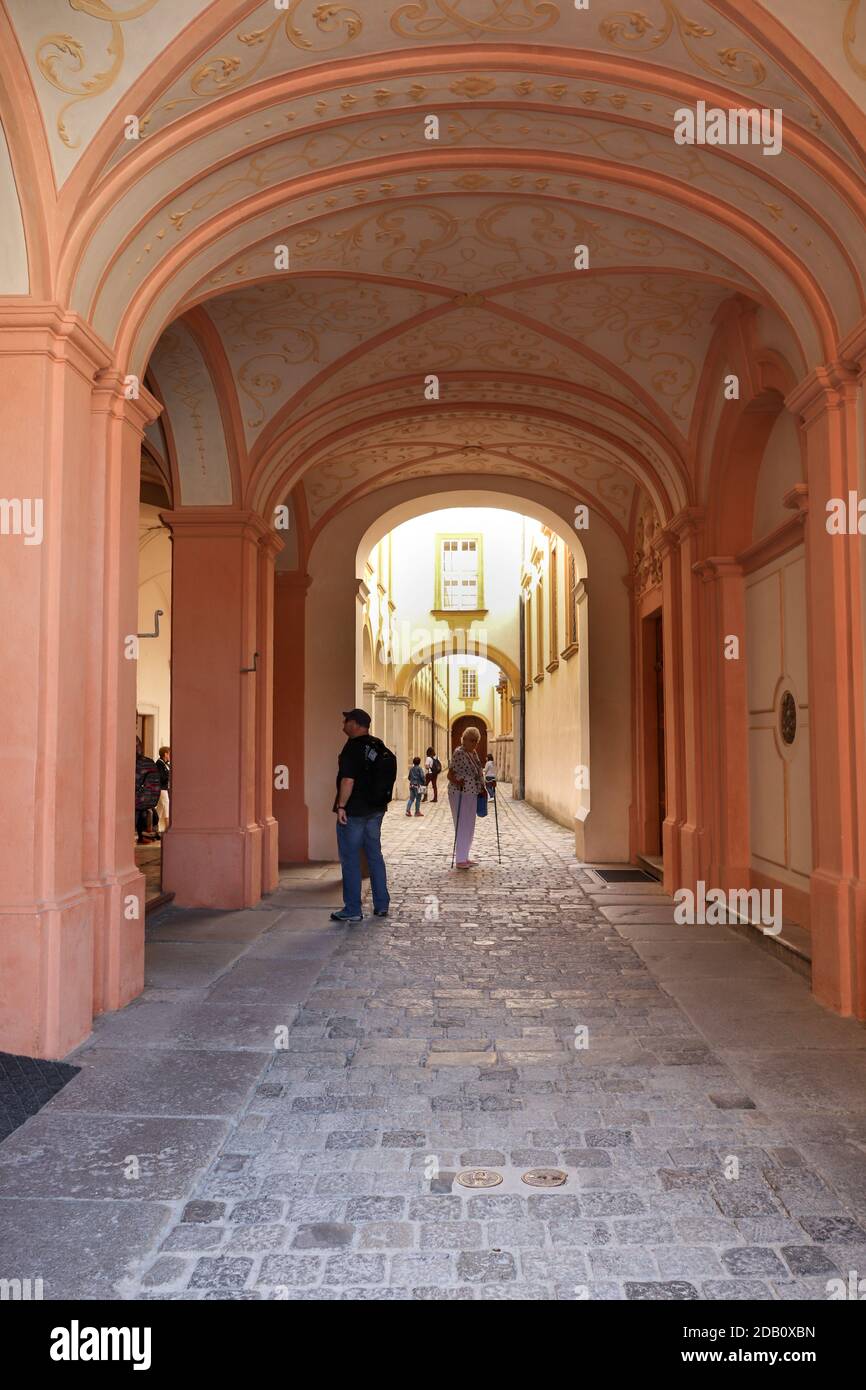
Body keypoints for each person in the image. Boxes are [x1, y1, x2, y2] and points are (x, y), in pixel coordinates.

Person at [331, 708, 392, 923]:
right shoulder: (377, 744)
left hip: (354, 812)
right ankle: (382, 904)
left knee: (350, 859)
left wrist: (341, 807)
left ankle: (353, 909)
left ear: (355, 724)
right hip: (375, 811)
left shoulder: (353, 747)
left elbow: (348, 780)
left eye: (346, 720)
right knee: (375, 856)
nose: (343, 723)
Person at [447, 725, 486, 869]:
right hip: (459, 793)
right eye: (471, 740)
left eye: (476, 740)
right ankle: (460, 859)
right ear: (464, 739)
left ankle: (465, 856)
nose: (474, 743)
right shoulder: (459, 753)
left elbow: (477, 773)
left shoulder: (473, 753)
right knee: (462, 824)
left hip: (472, 792)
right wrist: (458, 782)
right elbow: (450, 775)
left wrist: (484, 785)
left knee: (469, 825)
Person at [134, 737, 161, 844]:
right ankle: (141, 836)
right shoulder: (148, 762)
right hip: (148, 797)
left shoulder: (135, 763)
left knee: (137, 815)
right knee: (142, 814)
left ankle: (140, 836)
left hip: (138, 797)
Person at [155, 745, 171, 836]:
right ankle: (167, 826)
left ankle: (154, 826)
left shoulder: (166, 764)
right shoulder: (159, 763)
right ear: (165, 754)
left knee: (160, 809)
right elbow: (161, 777)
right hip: (161, 788)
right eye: (169, 753)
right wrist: (169, 776)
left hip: (165, 788)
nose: (170, 756)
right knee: (166, 804)